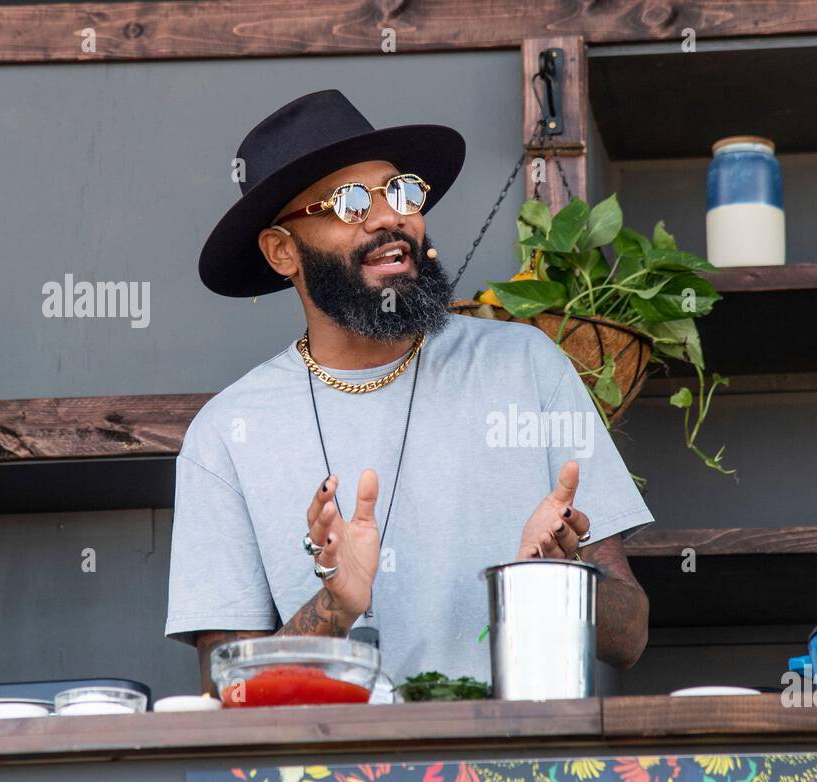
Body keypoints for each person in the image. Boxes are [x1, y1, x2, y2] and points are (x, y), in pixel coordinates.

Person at [165, 90, 653, 692]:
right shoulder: (227, 433)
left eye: (400, 192)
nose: (388, 217)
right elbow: (224, 686)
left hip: (517, 765)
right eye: (347, 204)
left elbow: (629, 637)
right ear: (282, 251)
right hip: (335, 780)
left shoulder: (526, 366)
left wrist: (559, 577)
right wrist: (335, 606)